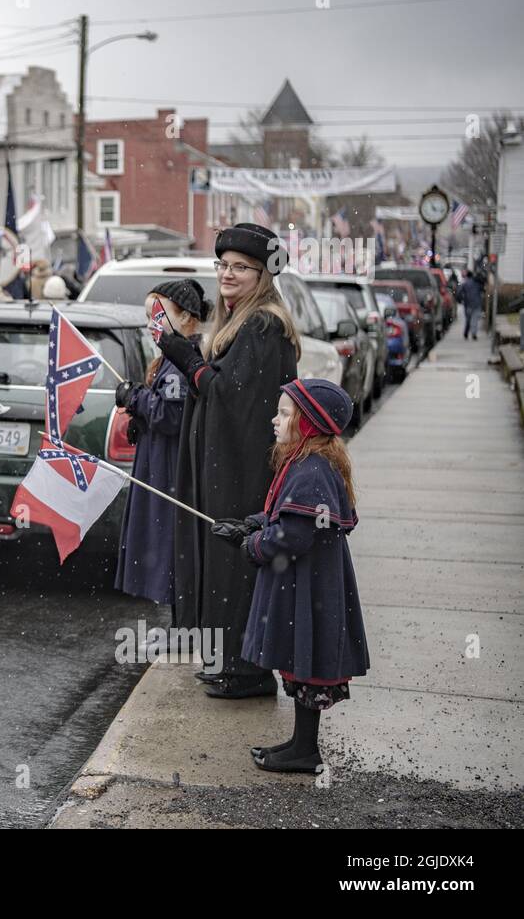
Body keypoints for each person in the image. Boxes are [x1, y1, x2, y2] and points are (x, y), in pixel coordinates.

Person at [157, 223, 299, 699]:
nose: (228, 274)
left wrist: (182, 355)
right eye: (224, 265)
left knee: (235, 563)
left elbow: (228, 394)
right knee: (221, 560)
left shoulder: (263, 324)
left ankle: (246, 670)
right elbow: (221, 381)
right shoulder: (239, 321)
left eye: (242, 267)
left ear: (263, 274)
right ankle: (226, 659)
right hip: (228, 465)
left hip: (244, 469)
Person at [211, 378, 369, 773]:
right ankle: (300, 744)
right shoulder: (306, 462)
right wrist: (250, 525)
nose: (275, 420)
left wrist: (253, 547)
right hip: (308, 580)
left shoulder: (311, 470)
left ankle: (305, 750)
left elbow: (296, 534)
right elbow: (287, 515)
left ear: (309, 424)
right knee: (303, 658)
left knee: (307, 657)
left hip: (309, 584)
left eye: (284, 413)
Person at [113, 279, 210, 604]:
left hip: (169, 470)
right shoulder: (169, 359)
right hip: (158, 465)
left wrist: (136, 398)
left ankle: (179, 626)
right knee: (158, 544)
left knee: (167, 547)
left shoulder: (184, 359)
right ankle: (172, 622)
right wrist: (141, 418)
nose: (151, 324)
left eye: (158, 314)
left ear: (185, 317)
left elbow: (171, 416)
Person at [457, 271, 484, 340]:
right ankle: (474, 333)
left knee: (468, 319)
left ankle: (466, 332)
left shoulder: (465, 283)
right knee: (474, 319)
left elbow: (459, 292)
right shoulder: (477, 283)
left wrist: (460, 300)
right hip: (477, 303)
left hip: (468, 304)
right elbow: (482, 290)